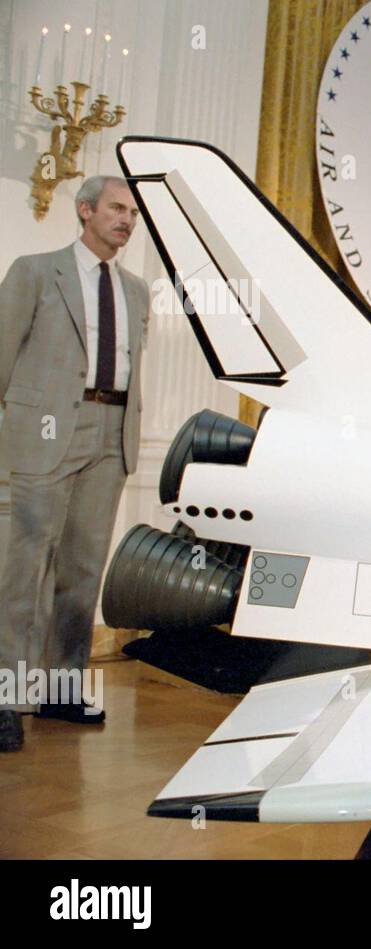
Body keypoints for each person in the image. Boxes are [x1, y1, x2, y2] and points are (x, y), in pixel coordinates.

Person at [0, 176, 151, 752]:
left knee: (83, 567)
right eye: (116, 208)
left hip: (112, 432)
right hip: (46, 430)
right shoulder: (35, 272)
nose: (127, 220)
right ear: (85, 211)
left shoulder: (136, 290)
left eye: (132, 212)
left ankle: (62, 688)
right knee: (24, 567)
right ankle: (8, 696)